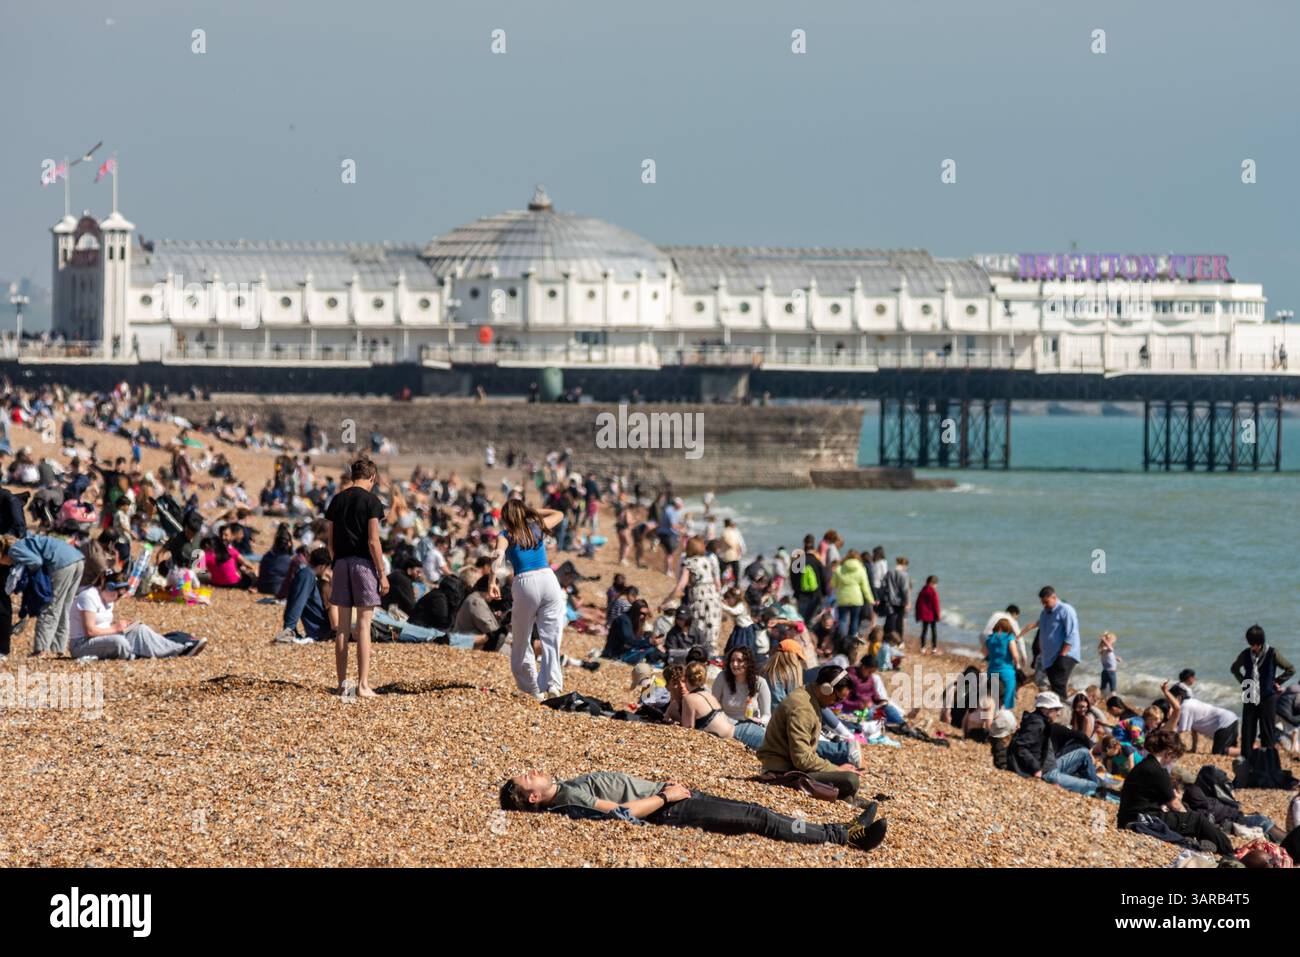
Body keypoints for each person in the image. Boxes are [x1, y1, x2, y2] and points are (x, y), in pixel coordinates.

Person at [499, 770, 886, 852]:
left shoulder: (563, 792)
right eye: (526, 779)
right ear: (533, 798)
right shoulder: (570, 801)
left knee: (755, 811)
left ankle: (836, 829)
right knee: (759, 818)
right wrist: (667, 797)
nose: (532, 771)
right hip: (671, 809)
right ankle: (841, 835)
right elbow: (621, 814)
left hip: (673, 800)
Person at [324, 458, 389, 698]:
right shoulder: (371, 501)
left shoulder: (337, 499)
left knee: (342, 627)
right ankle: (362, 685)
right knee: (363, 625)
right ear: (372, 477)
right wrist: (382, 574)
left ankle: (343, 684)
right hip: (362, 565)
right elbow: (373, 540)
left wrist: (336, 560)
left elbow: (330, 541)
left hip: (340, 563)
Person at [1116, 729, 1234, 855]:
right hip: (1142, 819)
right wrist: (1190, 819)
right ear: (1169, 752)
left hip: (1128, 818)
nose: (1172, 762)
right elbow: (1176, 806)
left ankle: (1203, 842)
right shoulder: (1158, 771)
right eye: (1174, 758)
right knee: (1197, 819)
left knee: (1187, 817)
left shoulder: (1144, 765)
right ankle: (1229, 850)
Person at [493, 499, 566, 700]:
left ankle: (533, 688)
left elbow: (497, 556)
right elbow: (559, 513)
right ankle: (553, 685)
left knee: (522, 636)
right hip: (548, 578)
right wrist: (531, 512)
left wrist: (492, 580)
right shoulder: (537, 526)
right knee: (551, 635)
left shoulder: (506, 535)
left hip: (525, 582)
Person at [757, 665, 863, 802]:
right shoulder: (803, 709)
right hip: (782, 772)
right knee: (851, 780)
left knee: (847, 778)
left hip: (790, 766)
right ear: (827, 689)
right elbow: (802, 760)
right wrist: (837, 769)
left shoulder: (808, 696)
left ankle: (848, 799)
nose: (836, 704)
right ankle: (848, 799)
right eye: (837, 699)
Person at [68, 574, 201, 659]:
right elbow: (90, 631)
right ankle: (180, 649)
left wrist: (124, 627)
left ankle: (177, 645)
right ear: (108, 587)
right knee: (121, 643)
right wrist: (116, 629)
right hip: (82, 644)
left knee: (139, 629)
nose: (118, 599)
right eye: (117, 595)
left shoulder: (108, 599)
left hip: (102, 637)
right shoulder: (89, 597)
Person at [0, 532, 86, 658]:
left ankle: (41, 650)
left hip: (61, 564)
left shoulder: (14, 550)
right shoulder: (27, 542)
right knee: (64, 608)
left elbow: (36, 562)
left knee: (50, 607)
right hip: (77, 559)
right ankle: (58, 648)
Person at [1009, 691, 1103, 796]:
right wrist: (1036, 769)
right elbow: (1021, 747)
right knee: (1092, 786)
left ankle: (1092, 785)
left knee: (1084, 752)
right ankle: (1095, 788)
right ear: (1045, 710)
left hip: (1052, 765)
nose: (1058, 713)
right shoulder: (1037, 724)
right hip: (1048, 773)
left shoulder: (1039, 720)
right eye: (1056, 709)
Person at [1230, 624, 1295, 752]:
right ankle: (1246, 760)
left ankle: (1268, 760)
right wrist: (1243, 682)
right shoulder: (1245, 654)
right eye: (1250, 643)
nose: (1251, 647)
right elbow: (1234, 669)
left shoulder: (1272, 653)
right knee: (1248, 730)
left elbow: (1290, 669)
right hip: (1249, 694)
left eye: (1253, 644)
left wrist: (1277, 681)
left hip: (1268, 696)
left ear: (1260, 642)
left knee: (1267, 731)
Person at [661, 537, 721, 657]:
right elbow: (718, 584)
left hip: (699, 600)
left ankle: (699, 657)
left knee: (698, 629)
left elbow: (680, 586)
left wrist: (665, 601)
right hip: (714, 600)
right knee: (711, 632)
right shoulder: (708, 560)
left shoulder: (689, 563)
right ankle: (712, 658)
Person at [1022, 586, 1080, 699]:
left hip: (1064, 655)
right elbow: (1043, 632)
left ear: (1054, 597)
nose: (1044, 605)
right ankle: (1058, 711)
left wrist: (1063, 653)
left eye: (1046, 602)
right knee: (1054, 687)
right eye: (1042, 603)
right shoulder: (1044, 613)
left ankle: (1061, 712)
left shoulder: (1065, 610)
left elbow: (1072, 632)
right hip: (1049, 658)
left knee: (1059, 686)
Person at [711, 646, 771, 748]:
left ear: (748, 663)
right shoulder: (722, 677)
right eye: (732, 661)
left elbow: (767, 715)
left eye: (739, 661)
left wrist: (760, 721)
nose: (734, 664)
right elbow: (713, 706)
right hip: (726, 726)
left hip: (751, 726)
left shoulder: (760, 682)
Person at [1160, 681, 1239, 756]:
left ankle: (1248, 752)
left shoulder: (1185, 707)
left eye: (1171, 700)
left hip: (1224, 723)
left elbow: (1182, 731)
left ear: (1179, 698)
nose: (1171, 704)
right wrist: (1194, 748)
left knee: (1219, 752)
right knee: (1230, 748)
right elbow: (1193, 728)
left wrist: (1167, 741)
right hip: (1231, 718)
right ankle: (1245, 752)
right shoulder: (1190, 702)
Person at [278, 547, 334, 642]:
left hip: (321, 629)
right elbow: (298, 603)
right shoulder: (307, 574)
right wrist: (289, 628)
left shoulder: (305, 573)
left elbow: (295, 600)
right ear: (323, 566)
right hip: (322, 630)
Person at [0, 483, 27, 660]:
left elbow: (20, 530)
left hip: (3, 557)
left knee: (1, 600)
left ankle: (2, 648)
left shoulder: (8, 499)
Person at [830, 549, 872, 651]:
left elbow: (833, 584)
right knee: (854, 621)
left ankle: (842, 640)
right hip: (856, 598)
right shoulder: (861, 569)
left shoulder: (839, 569)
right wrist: (871, 599)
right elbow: (865, 587)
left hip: (843, 598)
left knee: (843, 620)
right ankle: (851, 644)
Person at [984, 615, 1022, 711]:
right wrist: (1017, 664)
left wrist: (993, 657)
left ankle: (993, 712)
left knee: (993, 694)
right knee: (1008, 695)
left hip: (992, 669)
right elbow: (1015, 655)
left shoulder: (990, 638)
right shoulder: (1009, 637)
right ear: (1007, 628)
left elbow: (984, 652)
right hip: (1006, 670)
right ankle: (1005, 712)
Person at [791, 535, 828, 624]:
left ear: (804, 544)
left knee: (801, 619)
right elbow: (824, 577)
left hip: (802, 594)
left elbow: (793, 577)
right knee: (811, 620)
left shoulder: (798, 561)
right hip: (815, 594)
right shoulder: (817, 560)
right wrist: (824, 593)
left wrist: (796, 591)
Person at [256, 523, 295, 596]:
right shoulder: (288, 560)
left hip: (262, 587)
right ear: (289, 544)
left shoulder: (267, 555)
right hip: (276, 589)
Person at [879, 556, 910, 641]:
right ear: (905, 565)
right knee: (899, 622)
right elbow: (905, 590)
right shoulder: (904, 574)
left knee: (889, 620)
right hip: (900, 602)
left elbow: (883, 585)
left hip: (889, 600)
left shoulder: (889, 572)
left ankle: (886, 638)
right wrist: (907, 602)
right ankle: (898, 640)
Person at [915, 575, 940, 654]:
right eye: (936, 584)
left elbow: (918, 603)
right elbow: (936, 605)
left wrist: (917, 614)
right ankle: (934, 648)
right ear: (933, 583)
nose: (936, 586)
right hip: (932, 615)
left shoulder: (922, 591)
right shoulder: (933, 592)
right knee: (934, 631)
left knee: (924, 631)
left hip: (924, 615)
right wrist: (938, 615)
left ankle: (923, 648)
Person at [1098, 631, 1121, 696]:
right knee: (1113, 690)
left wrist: (1115, 658)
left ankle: (1100, 699)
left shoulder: (1103, 650)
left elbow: (1108, 658)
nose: (1113, 644)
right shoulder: (1108, 649)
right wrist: (1105, 640)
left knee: (1102, 688)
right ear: (1108, 642)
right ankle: (1114, 700)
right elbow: (1110, 648)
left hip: (1104, 672)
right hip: (1111, 673)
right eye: (1112, 642)